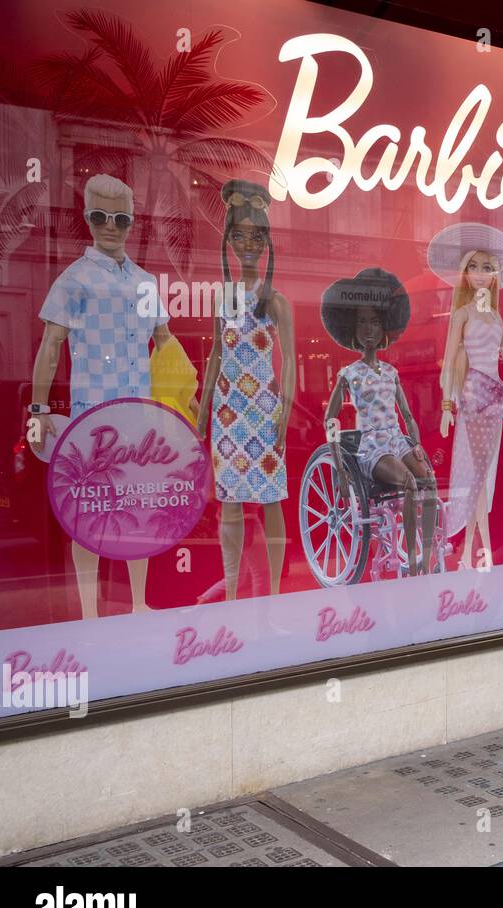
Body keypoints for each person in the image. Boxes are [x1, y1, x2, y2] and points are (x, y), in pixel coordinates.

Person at [31, 174, 172, 618]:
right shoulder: (74, 281)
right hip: (92, 418)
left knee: (139, 510)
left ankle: (137, 604)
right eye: (99, 217)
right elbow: (50, 345)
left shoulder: (146, 282)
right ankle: (90, 613)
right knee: (88, 515)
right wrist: (37, 410)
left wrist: (180, 399)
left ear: (133, 223)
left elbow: (166, 343)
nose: (110, 227)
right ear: (87, 219)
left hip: (139, 418)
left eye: (121, 219)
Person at [198, 180, 295, 601]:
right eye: (240, 237)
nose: (248, 245)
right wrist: (203, 413)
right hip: (226, 412)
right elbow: (216, 354)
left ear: (267, 242)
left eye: (257, 237)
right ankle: (234, 593)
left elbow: (289, 360)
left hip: (263, 408)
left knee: (271, 499)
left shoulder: (275, 301)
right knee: (231, 503)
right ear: (229, 242)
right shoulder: (225, 296)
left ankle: (273, 593)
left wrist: (285, 414)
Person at [431, 223, 503, 571]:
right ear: (465, 274)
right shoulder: (461, 315)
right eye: (474, 267)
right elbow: (449, 362)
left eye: (486, 267)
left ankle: (471, 553)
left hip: (495, 397)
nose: (480, 274)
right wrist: (447, 405)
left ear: (495, 275)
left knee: (485, 477)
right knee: (477, 477)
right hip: (473, 394)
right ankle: (477, 551)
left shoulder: (495, 317)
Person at [322, 268, 437, 576]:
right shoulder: (349, 374)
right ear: (352, 328)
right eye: (361, 322)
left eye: (374, 321)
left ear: (383, 325)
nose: (368, 329)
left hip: (397, 439)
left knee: (428, 478)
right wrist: (339, 468)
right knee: (410, 483)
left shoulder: (390, 373)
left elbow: (408, 416)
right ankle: (411, 560)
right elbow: (330, 418)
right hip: (372, 445)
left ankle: (427, 554)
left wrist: (417, 445)